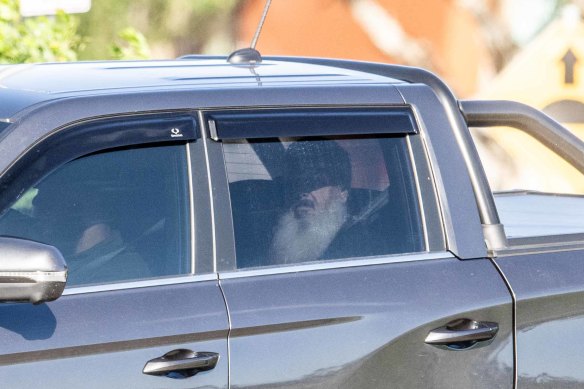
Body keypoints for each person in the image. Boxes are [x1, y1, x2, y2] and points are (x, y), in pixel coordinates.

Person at [268, 138, 354, 265]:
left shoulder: (360, 247)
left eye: (316, 182)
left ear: (342, 194)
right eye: (297, 182)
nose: (303, 191)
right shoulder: (272, 242)